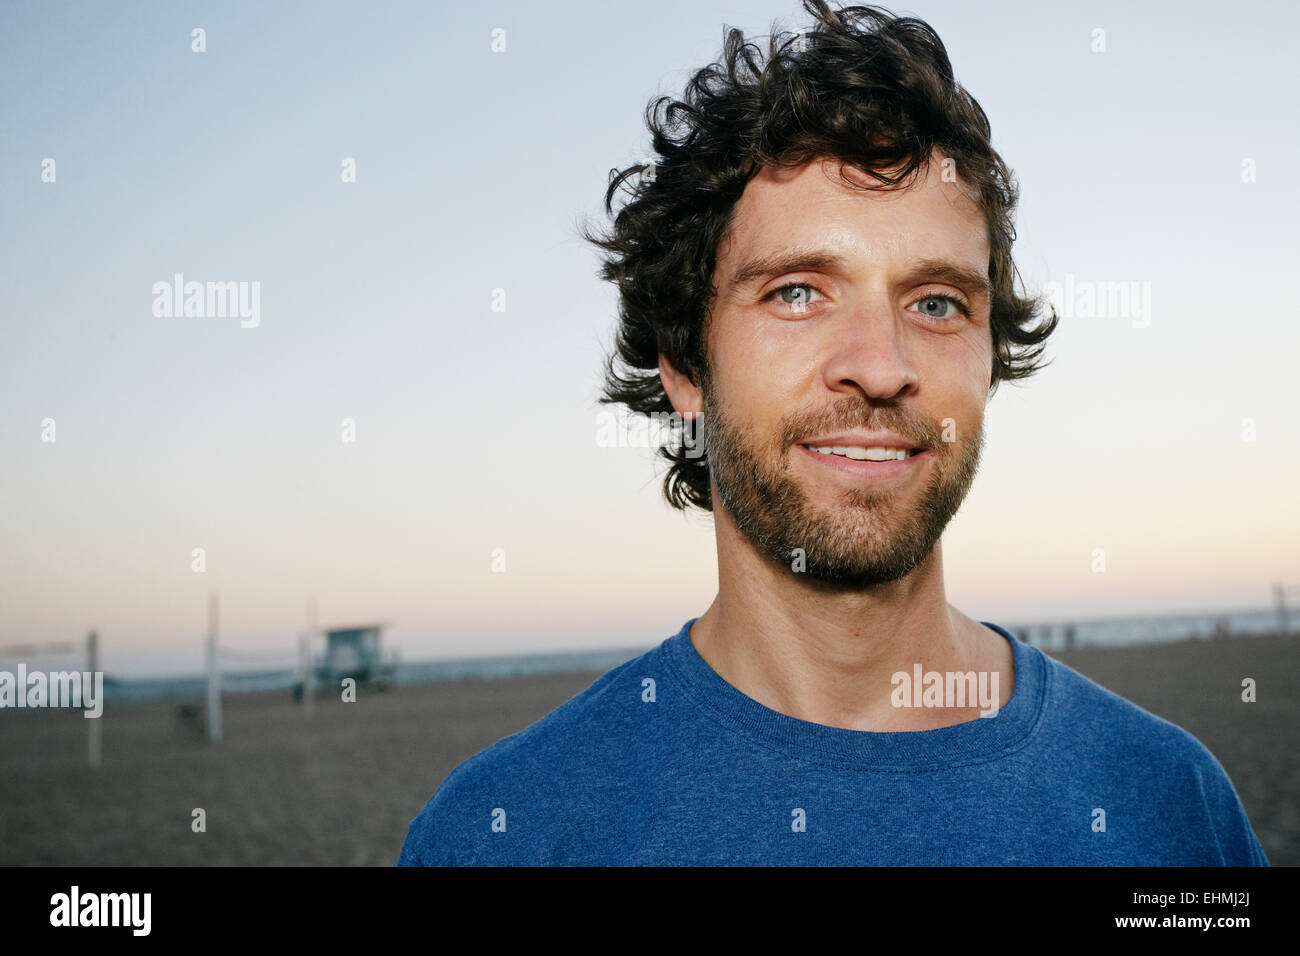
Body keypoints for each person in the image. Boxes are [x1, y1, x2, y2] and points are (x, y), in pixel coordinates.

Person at [400, 0, 1267, 866]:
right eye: (798, 292)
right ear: (684, 363)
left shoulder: (1172, 806)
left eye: (936, 303)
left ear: (989, 358)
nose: (880, 365)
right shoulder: (501, 831)